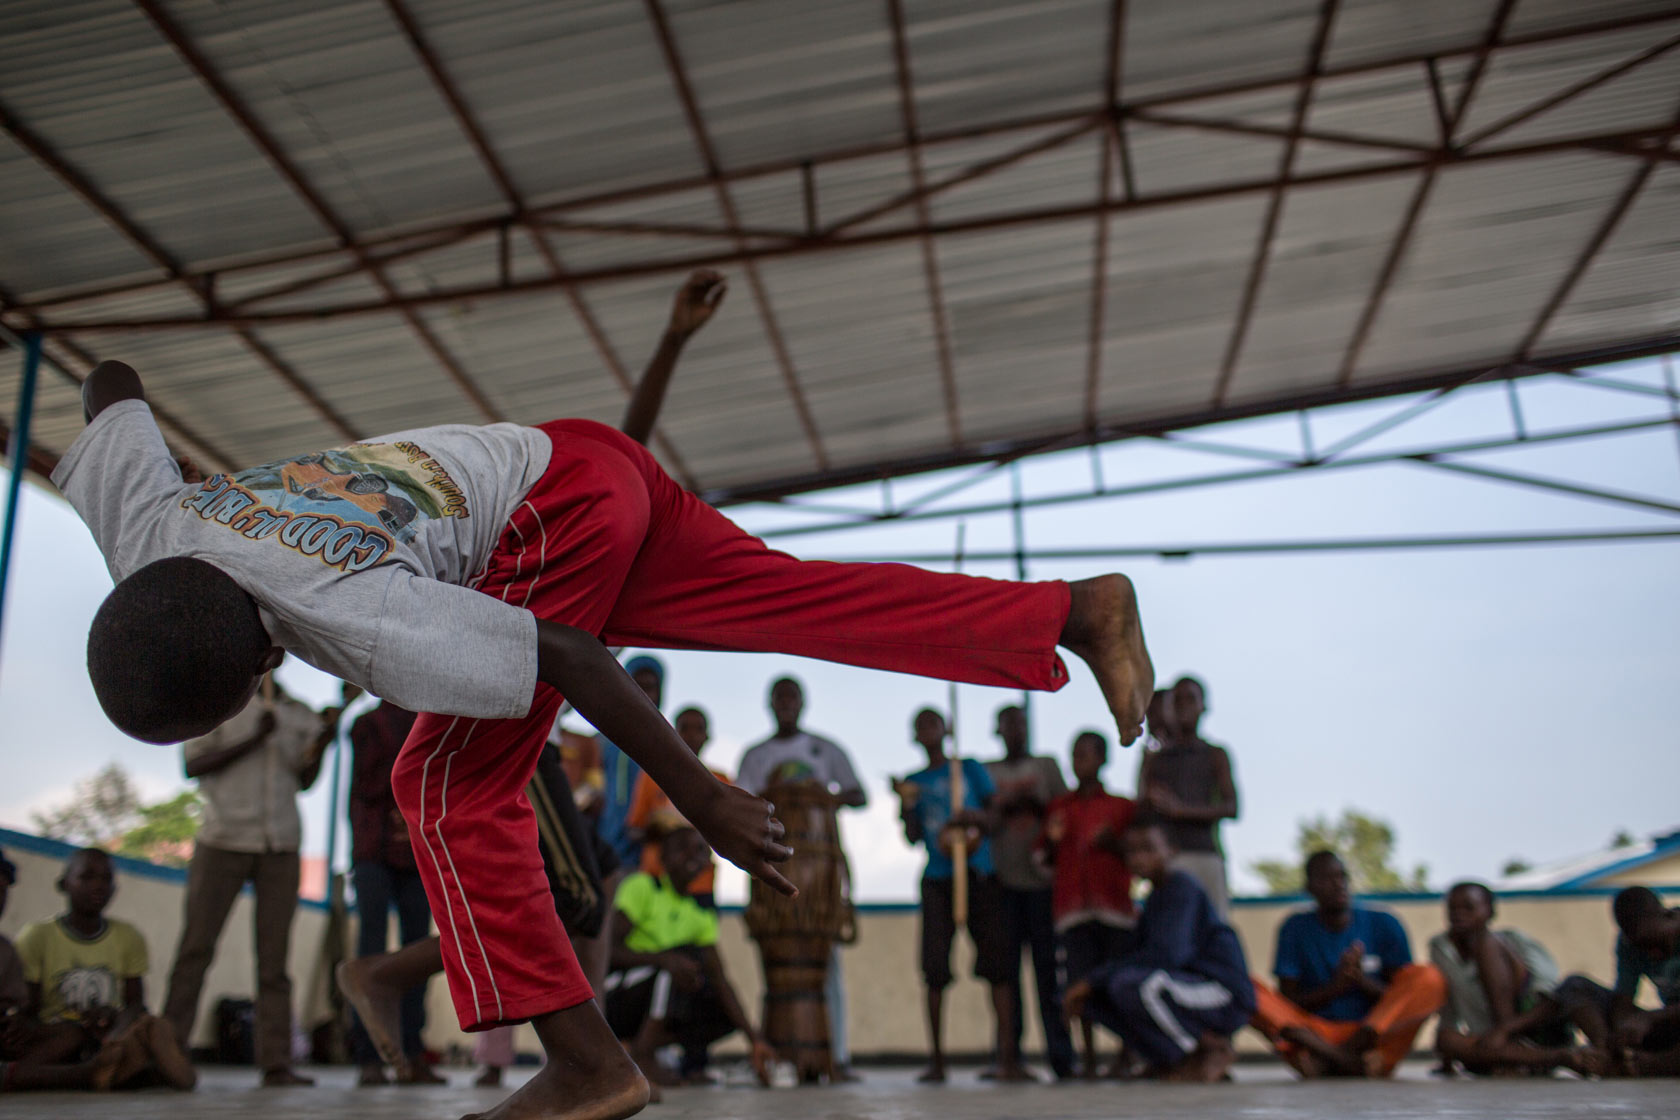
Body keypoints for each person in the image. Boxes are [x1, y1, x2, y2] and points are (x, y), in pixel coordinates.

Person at [55, 263, 1155, 1120]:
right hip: (582, 455)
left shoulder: (349, 614)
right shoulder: (151, 532)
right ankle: (1071, 610)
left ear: (247, 671)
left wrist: (702, 795)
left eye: (229, 700)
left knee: (439, 781)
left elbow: (575, 657)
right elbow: (109, 381)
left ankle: (587, 1066)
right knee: (792, 597)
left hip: (555, 517)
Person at [158, 675, 337, 1087]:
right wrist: (254, 739)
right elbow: (193, 764)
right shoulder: (218, 702)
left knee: (275, 961)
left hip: (281, 843)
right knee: (196, 948)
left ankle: (276, 1062)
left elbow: (304, 779)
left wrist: (324, 741)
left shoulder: (297, 713)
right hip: (222, 838)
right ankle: (167, 1050)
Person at [736, 676, 869, 1080]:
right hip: (774, 868)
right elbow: (741, 803)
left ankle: (837, 1058)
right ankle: (774, 1056)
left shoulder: (826, 749)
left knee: (829, 969)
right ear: (769, 705)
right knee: (773, 969)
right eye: (779, 698)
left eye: (792, 697)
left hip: (819, 870)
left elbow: (859, 794)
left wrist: (823, 796)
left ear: (803, 703)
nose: (786, 704)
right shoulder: (756, 755)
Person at [1063, 824, 1254, 1082]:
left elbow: (1169, 956)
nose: (1138, 858)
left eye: (1148, 849)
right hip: (1183, 989)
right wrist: (1092, 984)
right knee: (1095, 998)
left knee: (1133, 985)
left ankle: (1204, 1051)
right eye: (1131, 852)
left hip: (1222, 993)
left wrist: (1093, 979)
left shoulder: (1182, 888)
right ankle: (1165, 1059)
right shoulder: (1155, 898)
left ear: (1171, 852)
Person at [894, 707, 1021, 1084]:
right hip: (938, 878)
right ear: (915, 736)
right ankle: (936, 1060)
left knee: (998, 965)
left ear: (946, 729)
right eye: (921, 726)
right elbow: (914, 837)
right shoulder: (914, 780)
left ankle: (1007, 1058)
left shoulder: (968, 768)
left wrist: (974, 819)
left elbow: (996, 819)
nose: (928, 730)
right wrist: (906, 806)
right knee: (934, 968)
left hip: (979, 874)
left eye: (934, 723)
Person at [604, 829, 776, 1089]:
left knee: (714, 995)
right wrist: (663, 960)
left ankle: (639, 1047)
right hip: (618, 995)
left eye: (701, 851)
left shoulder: (699, 916)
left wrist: (754, 1040)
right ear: (664, 858)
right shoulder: (642, 888)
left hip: (659, 996)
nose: (694, 857)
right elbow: (609, 952)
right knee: (675, 966)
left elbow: (722, 981)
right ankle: (643, 1056)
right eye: (684, 849)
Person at [11, 849, 196, 1091]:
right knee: (73, 1037)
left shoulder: (128, 937)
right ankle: (115, 1074)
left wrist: (114, 1027)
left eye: (106, 879)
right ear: (64, 884)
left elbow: (135, 1004)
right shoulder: (37, 936)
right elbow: (28, 1009)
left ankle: (114, 1066)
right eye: (87, 877)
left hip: (108, 1038)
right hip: (59, 1036)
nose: (98, 886)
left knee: (152, 1027)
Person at [1251, 850, 1446, 1077]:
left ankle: (1333, 1060)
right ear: (1309, 888)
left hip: (1373, 1037)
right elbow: (1289, 1003)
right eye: (1326, 878)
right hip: (1316, 1035)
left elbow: (1401, 998)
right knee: (1246, 988)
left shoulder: (1385, 923)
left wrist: (1361, 982)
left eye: (1342, 876)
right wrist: (1336, 987)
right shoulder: (1294, 928)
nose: (1338, 884)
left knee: (1430, 978)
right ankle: (1348, 1061)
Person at [345, 698, 446, 1086]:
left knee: (416, 952)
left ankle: (410, 1052)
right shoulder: (370, 724)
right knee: (373, 951)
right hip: (374, 851)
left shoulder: (428, 721)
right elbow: (366, 785)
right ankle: (370, 1055)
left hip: (416, 851)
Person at [1429, 882, 1608, 1077]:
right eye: (1452, 908)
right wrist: (1448, 1058)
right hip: (1488, 1038)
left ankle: (1514, 1054)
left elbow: (1553, 996)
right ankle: (1552, 1058)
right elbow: (1447, 1000)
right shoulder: (1441, 947)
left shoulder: (1512, 939)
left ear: (1489, 911)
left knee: (1486, 944)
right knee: (1445, 1039)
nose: (1458, 913)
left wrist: (1506, 1029)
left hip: (1532, 1028)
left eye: (1468, 907)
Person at [984, 704, 1075, 1079]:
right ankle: (1009, 1055)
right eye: (1007, 725)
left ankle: (1061, 1058)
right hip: (1003, 885)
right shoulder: (987, 772)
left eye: (1020, 724)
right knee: (1006, 977)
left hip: (1041, 887)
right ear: (998, 731)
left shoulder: (1046, 767)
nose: (1015, 731)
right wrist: (1003, 809)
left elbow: (1064, 814)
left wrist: (1037, 807)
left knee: (1047, 975)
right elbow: (984, 820)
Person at [1040, 730, 1136, 1078]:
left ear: (1103, 759)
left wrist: (1113, 843)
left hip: (1114, 909)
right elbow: (1042, 860)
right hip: (1072, 910)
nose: (1079, 762)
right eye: (1075, 754)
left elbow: (1137, 857)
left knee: (1120, 983)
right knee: (1080, 984)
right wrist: (1052, 842)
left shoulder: (1122, 808)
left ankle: (1126, 1055)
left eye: (1086, 754)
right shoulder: (1059, 809)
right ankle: (1091, 1058)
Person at [1547, 887, 1680, 1076]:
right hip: (1666, 1030)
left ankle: (1648, 1065)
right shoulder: (1628, 942)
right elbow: (1623, 998)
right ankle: (1605, 1055)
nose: (1652, 953)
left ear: (1667, 916)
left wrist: (1649, 1018)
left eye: (1657, 944)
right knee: (1576, 986)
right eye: (1641, 946)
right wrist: (1622, 1029)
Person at [1134, 676, 1237, 917]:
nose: (1183, 706)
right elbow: (1141, 809)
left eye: (1190, 699)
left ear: (1204, 706)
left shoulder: (1215, 754)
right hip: (1170, 861)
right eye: (1176, 700)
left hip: (1206, 856)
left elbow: (1232, 807)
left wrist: (1180, 810)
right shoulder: (1156, 759)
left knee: (1214, 930)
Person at [627, 707, 730, 910]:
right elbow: (633, 829)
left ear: (707, 736)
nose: (691, 735)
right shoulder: (651, 776)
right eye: (684, 728)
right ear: (673, 734)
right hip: (656, 880)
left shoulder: (721, 782)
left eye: (698, 729)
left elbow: (730, 834)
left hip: (700, 884)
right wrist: (658, 828)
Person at [596, 655, 668, 873]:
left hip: (651, 854)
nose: (643, 694)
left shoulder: (667, 744)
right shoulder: (603, 740)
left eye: (650, 687)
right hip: (605, 848)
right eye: (635, 685)